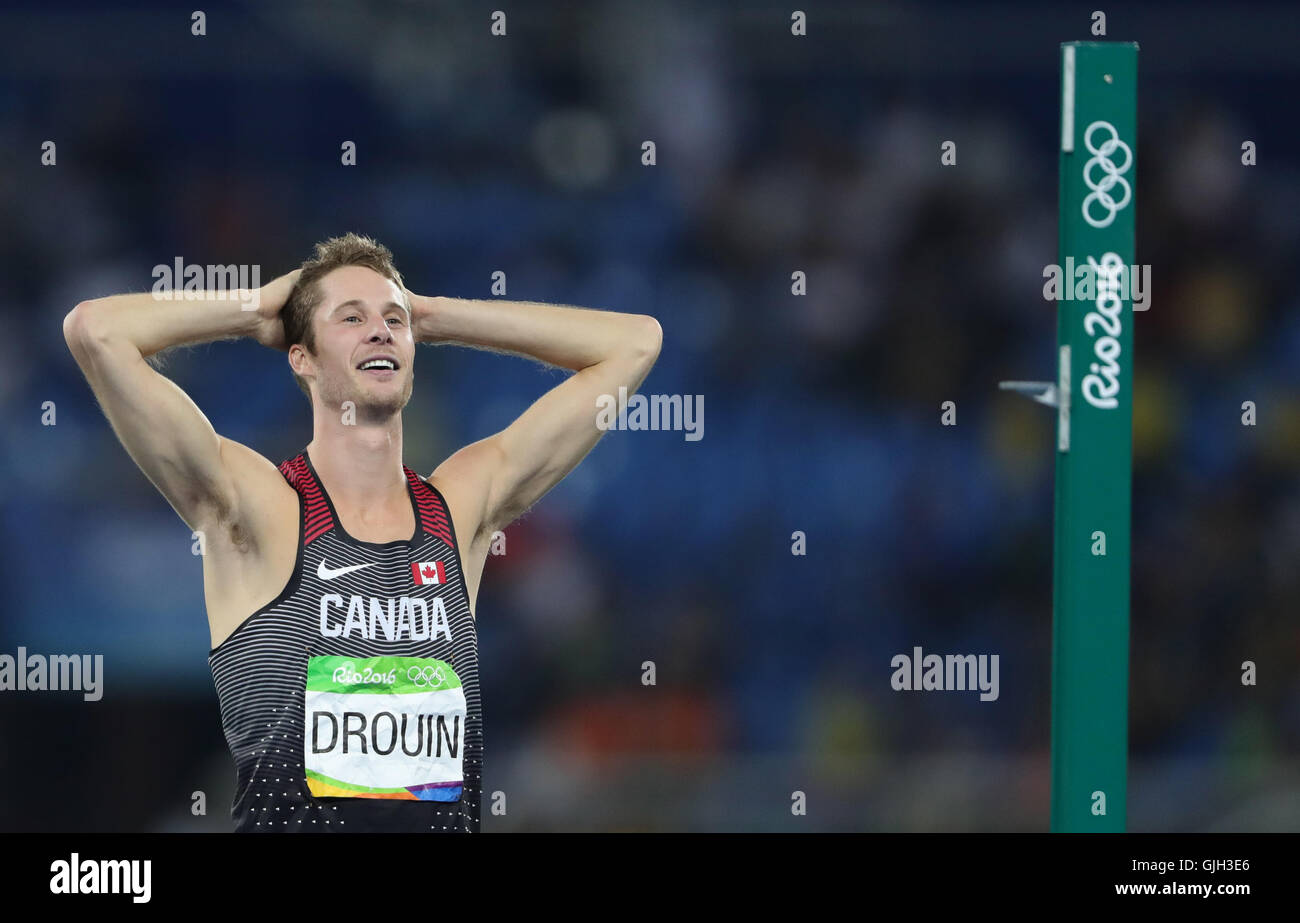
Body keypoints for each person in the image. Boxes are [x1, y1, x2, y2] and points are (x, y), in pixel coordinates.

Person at [62, 233, 662, 831]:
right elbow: (97, 332)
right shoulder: (257, 508)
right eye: (350, 318)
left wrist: (433, 314)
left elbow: (635, 344)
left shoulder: (458, 510)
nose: (379, 330)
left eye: (391, 320)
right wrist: (256, 310)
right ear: (301, 357)